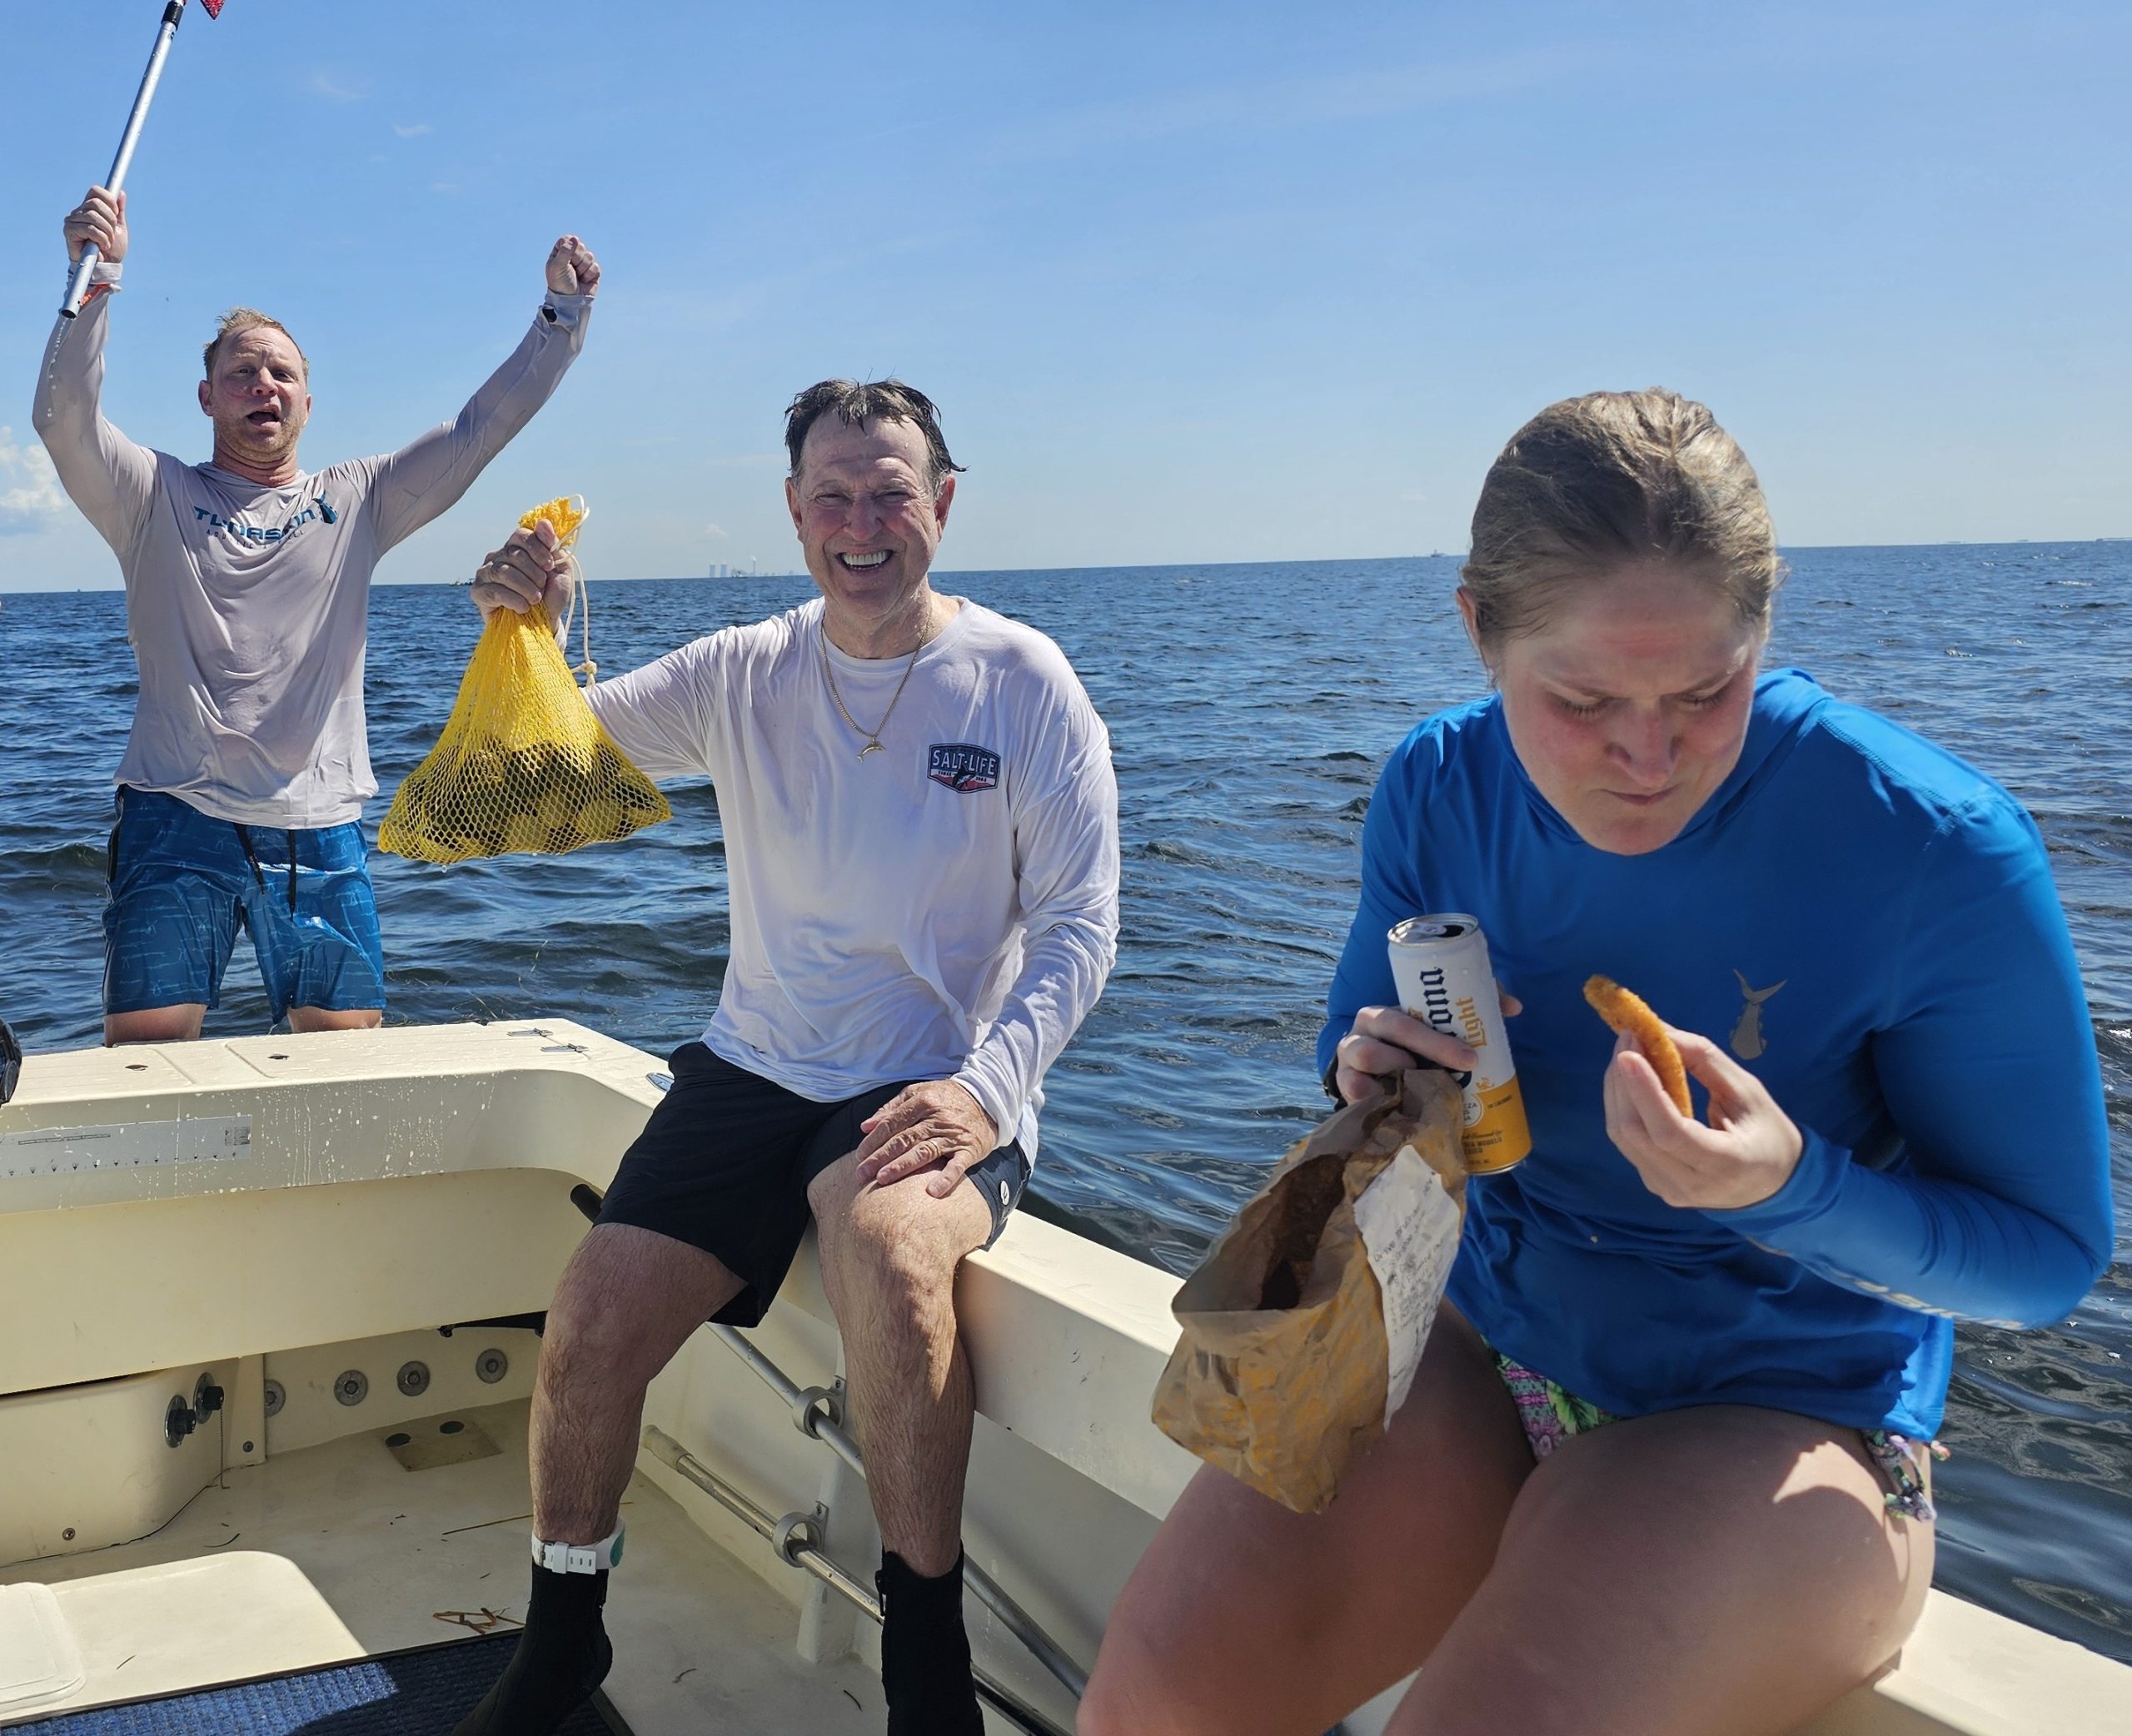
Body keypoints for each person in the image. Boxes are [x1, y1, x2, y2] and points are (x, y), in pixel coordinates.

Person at [1082, 388, 2114, 1736]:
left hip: (1788, 1408)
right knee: (1152, 1701)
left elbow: (2046, 1260)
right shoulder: (1436, 784)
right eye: (1579, 699)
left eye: (1707, 689)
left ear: (1767, 627)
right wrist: (1383, 1074)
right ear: (1477, 629)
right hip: (1480, 1332)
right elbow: (1353, 1053)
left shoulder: (1937, 847)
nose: (1646, 754)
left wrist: (1792, 1184)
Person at [449, 379, 1118, 1736]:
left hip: (934, 1077)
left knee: (886, 1249)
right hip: (750, 1066)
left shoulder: (1022, 680)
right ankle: (565, 1632)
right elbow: (541, 779)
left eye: (889, 491)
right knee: (585, 1320)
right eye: (833, 496)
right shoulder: (743, 669)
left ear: (943, 500)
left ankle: (925, 1653)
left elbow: (1082, 923)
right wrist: (529, 632)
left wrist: (990, 1090)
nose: (861, 522)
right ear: (794, 512)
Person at [31, 185, 599, 1045]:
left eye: (281, 372)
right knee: (144, 1058)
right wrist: (96, 276)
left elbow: (482, 428)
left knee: (343, 1054)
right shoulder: (150, 495)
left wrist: (561, 314)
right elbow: (63, 417)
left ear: (306, 400)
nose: (263, 383)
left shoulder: (360, 499)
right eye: (241, 373)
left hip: (320, 822)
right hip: (172, 813)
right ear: (207, 398)